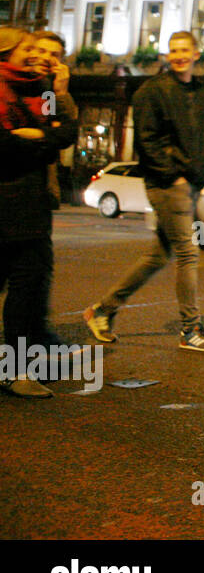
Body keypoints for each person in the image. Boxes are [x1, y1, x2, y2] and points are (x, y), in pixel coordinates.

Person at [83, 30, 204, 352]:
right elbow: (147, 141)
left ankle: (102, 309)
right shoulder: (152, 91)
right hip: (167, 184)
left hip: (189, 183)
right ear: (167, 54)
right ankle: (190, 329)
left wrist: (200, 177)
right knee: (188, 253)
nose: (179, 56)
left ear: (196, 54)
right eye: (173, 50)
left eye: (184, 50)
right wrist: (173, 176)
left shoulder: (202, 91)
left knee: (158, 255)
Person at [0, 27, 78, 398]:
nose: (38, 55)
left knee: (28, 284)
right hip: (8, 199)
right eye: (29, 48)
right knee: (24, 284)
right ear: (7, 52)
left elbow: (65, 135)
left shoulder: (42, 88)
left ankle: (18, 366)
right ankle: (14, 371)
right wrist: (36, 139)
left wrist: (39, 133)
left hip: (31, 201)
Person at [16, 31, 75, 208]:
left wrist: (62, 93)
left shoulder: (47, 92)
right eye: (41, 51)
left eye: (54, 55)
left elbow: (65, 133)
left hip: (37, 187)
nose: (46, 58)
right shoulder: (10, 85)